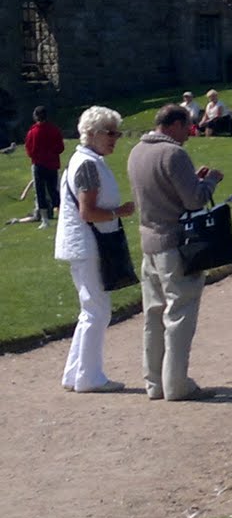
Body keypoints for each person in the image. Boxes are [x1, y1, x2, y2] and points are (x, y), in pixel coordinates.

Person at [127, 103, 223, 402]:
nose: (190, 133)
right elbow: (194, 201)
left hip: (149, 243)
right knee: (180, 314)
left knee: (153, 316)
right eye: (187, 127)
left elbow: (162, 190)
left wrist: (191, 179)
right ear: (175, 125)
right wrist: (210, 181)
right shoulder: (173, 153)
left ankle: (153, 382)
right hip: (175, 244)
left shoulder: (136, 151)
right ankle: (176, 384)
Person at [54, 106, 134, 393]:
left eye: (116, 132)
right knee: (97, 311)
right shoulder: (87, 164)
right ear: (90, 134)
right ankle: (90, 377)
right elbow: (88, 212)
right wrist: (119, 212)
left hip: (86, 244)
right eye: (108, 133)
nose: (114, 138)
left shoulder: (88, 160)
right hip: (88, 244)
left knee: (91, 309)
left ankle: (75, 373)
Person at [24, 105, 65, 230]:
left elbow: (29, 149)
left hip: (38, 165)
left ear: (35, 116)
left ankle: (45, 220)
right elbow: (60, 148)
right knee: (53, 191)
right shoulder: (54, 129)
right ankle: (61, 216)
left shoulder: (33, 131)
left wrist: (36, 156)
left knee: (40, 191)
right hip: (52, 164)